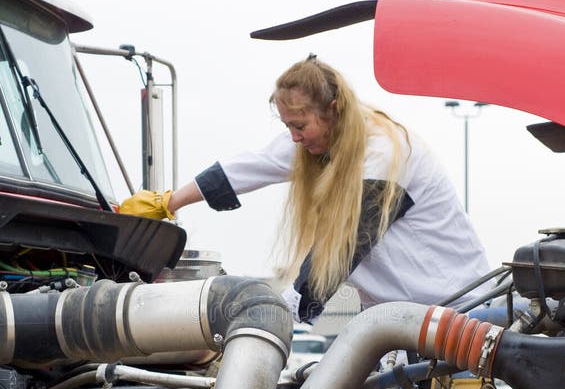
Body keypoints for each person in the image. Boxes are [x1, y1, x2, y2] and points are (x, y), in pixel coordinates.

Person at [119, 57, 492, 323]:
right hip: (398, 318)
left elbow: (346, 243)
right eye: (288, 127)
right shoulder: (314, 142)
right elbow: (247, 167)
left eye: (299, 126)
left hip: (455, 310)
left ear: (332, 110)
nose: (294, 138)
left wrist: (282, 309)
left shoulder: (386, 152)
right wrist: (168, 202)